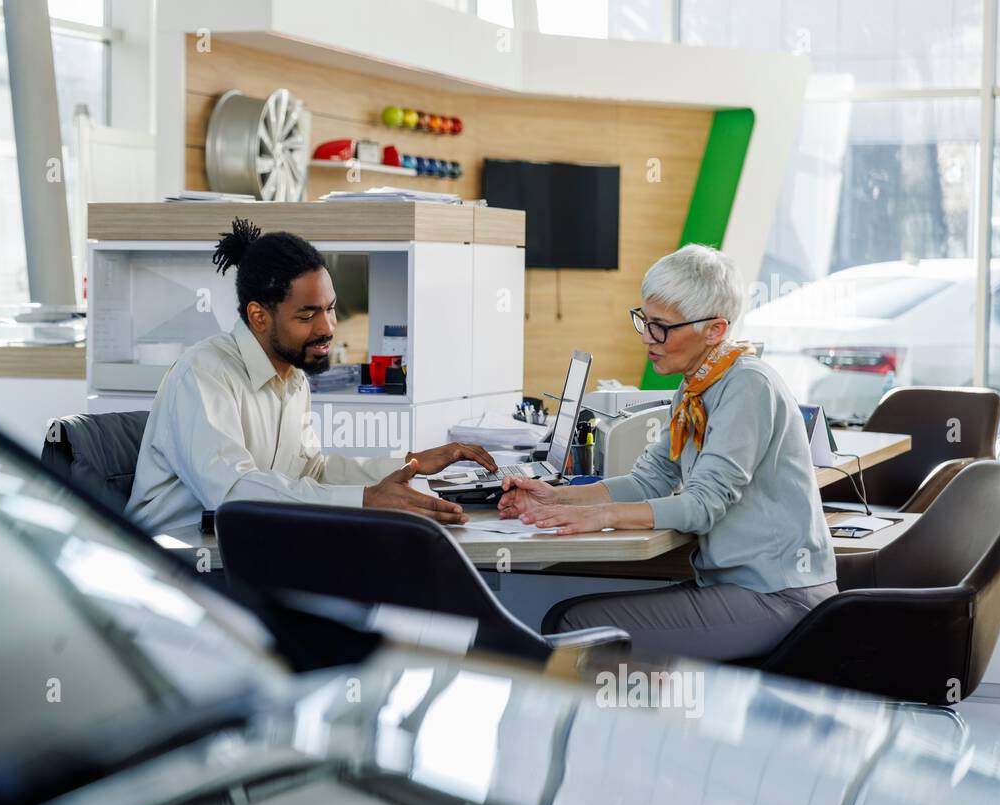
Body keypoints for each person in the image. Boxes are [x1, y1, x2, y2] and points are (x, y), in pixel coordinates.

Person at [500, 244, 837, 662]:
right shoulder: (698, 384)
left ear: (714, 330)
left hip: (778, 597)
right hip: (740, 589)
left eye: (661, 327)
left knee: (575, 627)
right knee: (568, 619)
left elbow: (702, 506)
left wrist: (601, 516)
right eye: (644, 321)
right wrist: (557, 497)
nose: (647, 338)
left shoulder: (748, 386)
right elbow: (649, 481)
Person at [127, 217, 496, 530]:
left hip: (248, 549)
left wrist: (410, 463)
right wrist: (367, 500)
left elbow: (312, 472)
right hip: (176, 563)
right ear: (259, 317)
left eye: (330, 309)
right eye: (307, 315)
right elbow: (233, 493)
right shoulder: (204, 373)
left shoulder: (292, 378)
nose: (328, 327)